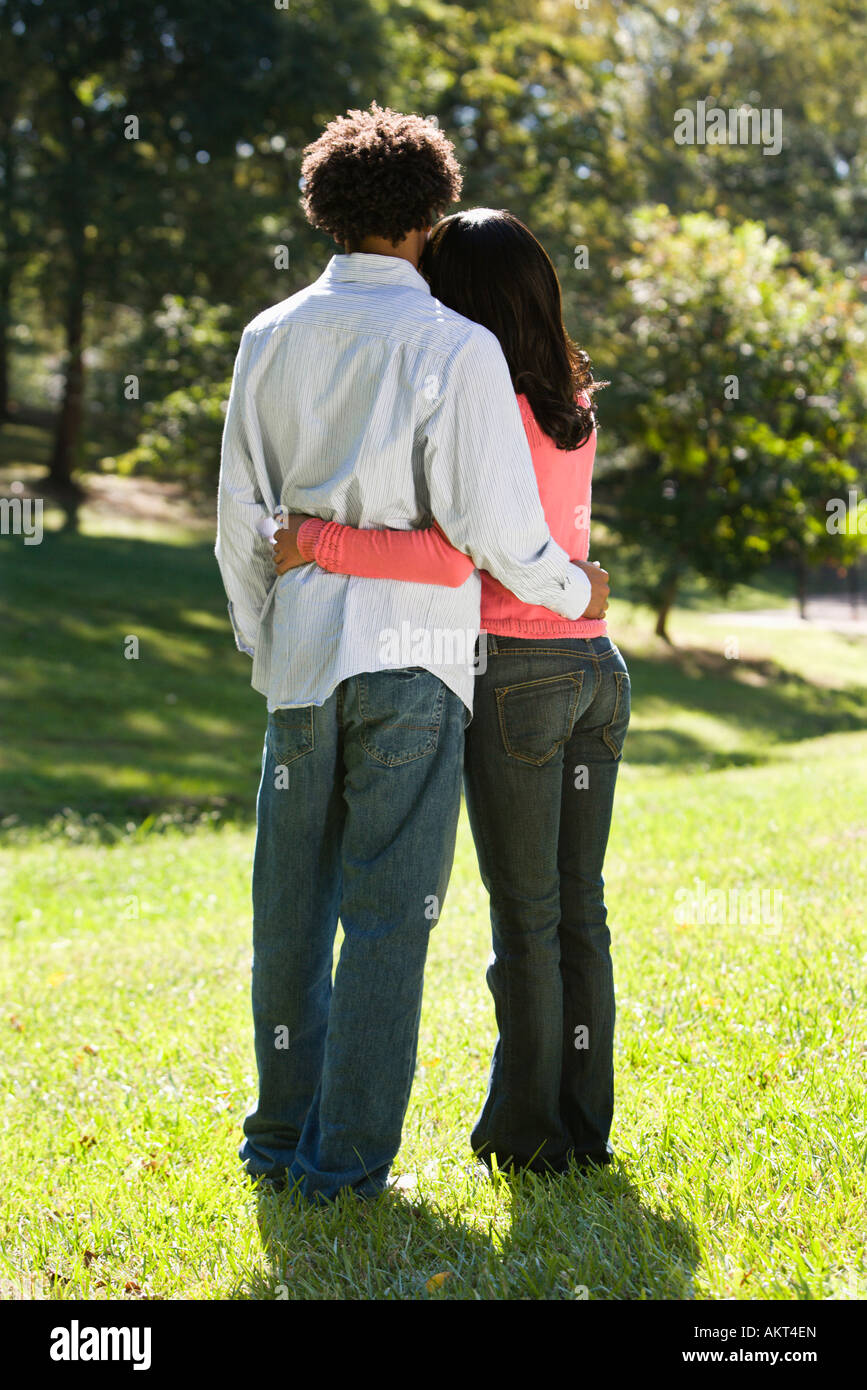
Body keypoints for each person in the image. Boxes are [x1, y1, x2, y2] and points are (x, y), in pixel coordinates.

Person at [215, 107, 609, 1203]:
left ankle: (276, 1134)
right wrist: (576, 588)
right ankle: (344, 1165)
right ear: (434, 215)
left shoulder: (268, 335)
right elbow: (493, 531)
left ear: (320, 208)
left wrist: (268, 642)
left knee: (286, 911)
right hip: (418, 670)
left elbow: (238, 517)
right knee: (391, 918)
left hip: (302, 663)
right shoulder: (458, 346)